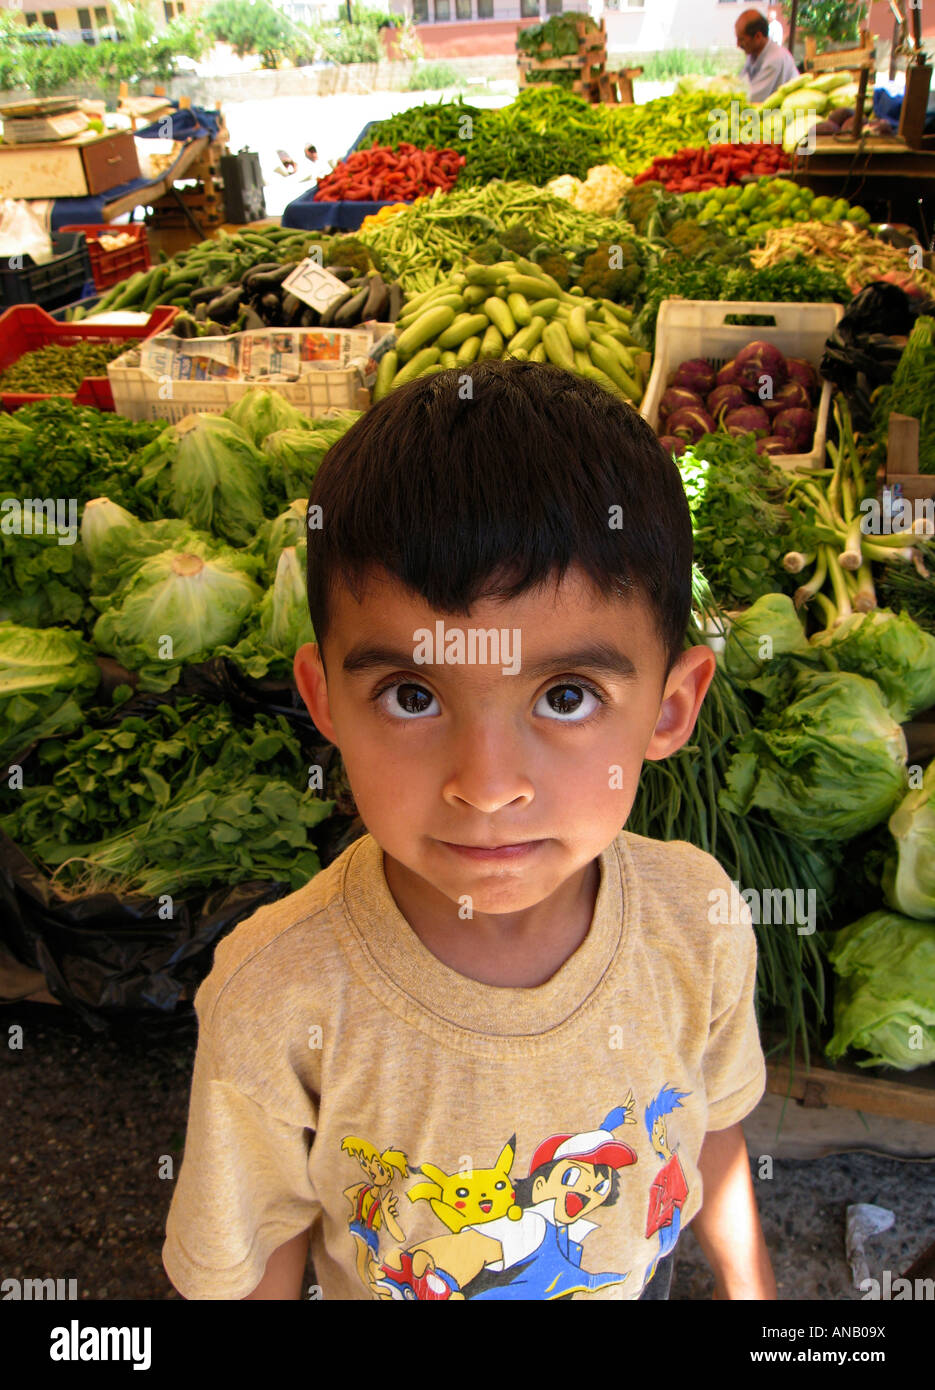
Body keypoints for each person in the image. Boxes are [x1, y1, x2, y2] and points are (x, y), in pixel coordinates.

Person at [161, 359, 777, 1303]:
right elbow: (259, 1261)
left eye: (565, 696)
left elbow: (713, 1134)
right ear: (323, 699)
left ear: (669, 706)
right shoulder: (272, 997)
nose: (485, 788)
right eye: (411, 695)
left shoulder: (696, 916)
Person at [736, 7, 799, 104]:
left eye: (742, 39)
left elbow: (753, 97)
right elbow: (739, 83)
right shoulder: (753, 55)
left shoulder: (774, 59)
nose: (738, 44)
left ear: (758, 37)